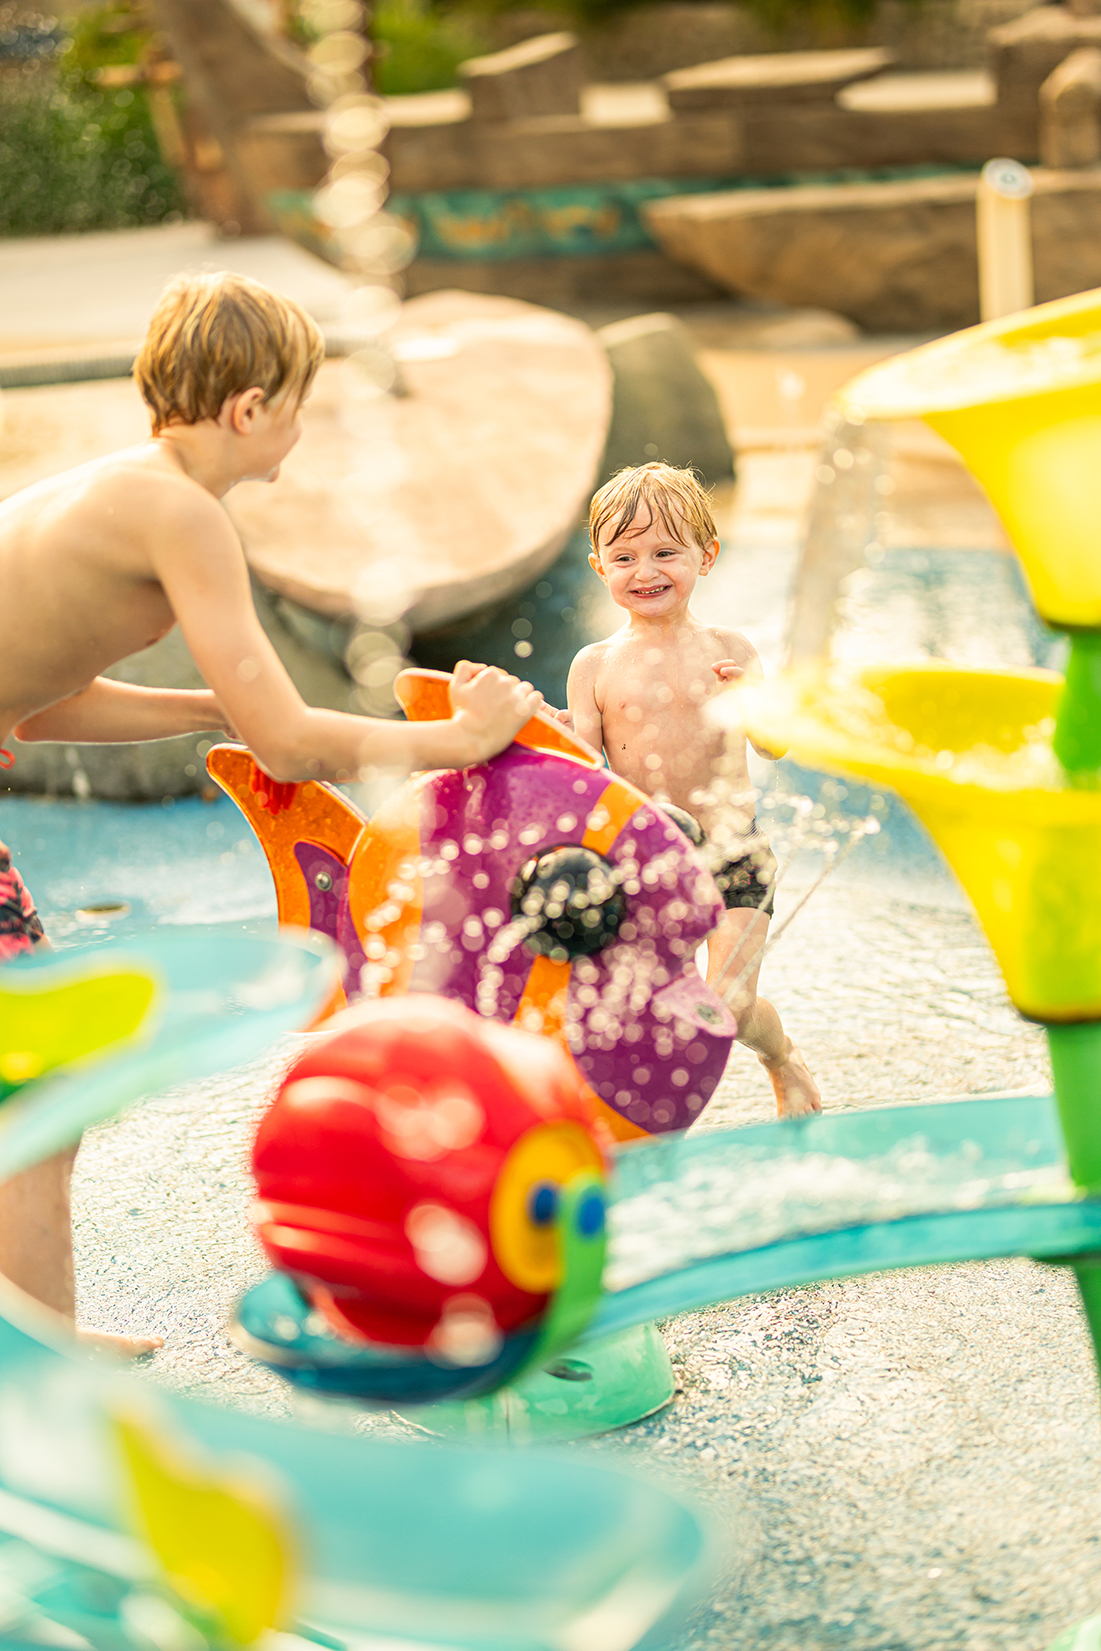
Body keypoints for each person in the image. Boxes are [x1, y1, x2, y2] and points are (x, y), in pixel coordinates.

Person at [0, 270, 542, 1354]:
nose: (303, 427)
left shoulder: (111, 491)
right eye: (300, 403)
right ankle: (38, 1361)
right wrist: (454, 743)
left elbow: (39, 706)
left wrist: (210, 705)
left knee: (30, 1086)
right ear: (250, 410)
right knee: (33, 1087)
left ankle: (40, 1339)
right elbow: (291, 741)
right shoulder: (184, 515)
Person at [562, 461, 821, 1119]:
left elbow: (776, 744)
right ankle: (632, 1118)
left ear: (705, 556)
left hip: (734, 854)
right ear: (598, 565)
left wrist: (752, 704)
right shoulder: (593, 665)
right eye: (624, 556)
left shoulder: (729, 648)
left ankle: (779, 1055)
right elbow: (580, 765)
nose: (644, 570)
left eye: (663, 552)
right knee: (634, 1005)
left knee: (726, 1004)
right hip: (642, 862)